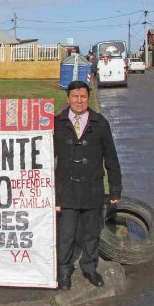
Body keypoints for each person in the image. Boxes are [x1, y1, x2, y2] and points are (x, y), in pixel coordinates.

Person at [54, 81, 122, 290]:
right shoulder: (57, 123)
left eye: (83, 96)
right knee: (66, 234)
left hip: (93, 188)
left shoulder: (100, 123)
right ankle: (64, 272)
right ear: (68, 98)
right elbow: (45, 155)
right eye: (75, 96)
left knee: (91, 233)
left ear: (88, 98)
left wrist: (115, 187)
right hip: (66, 189)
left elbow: (111, 156)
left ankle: (90, 269)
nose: (79, 100)